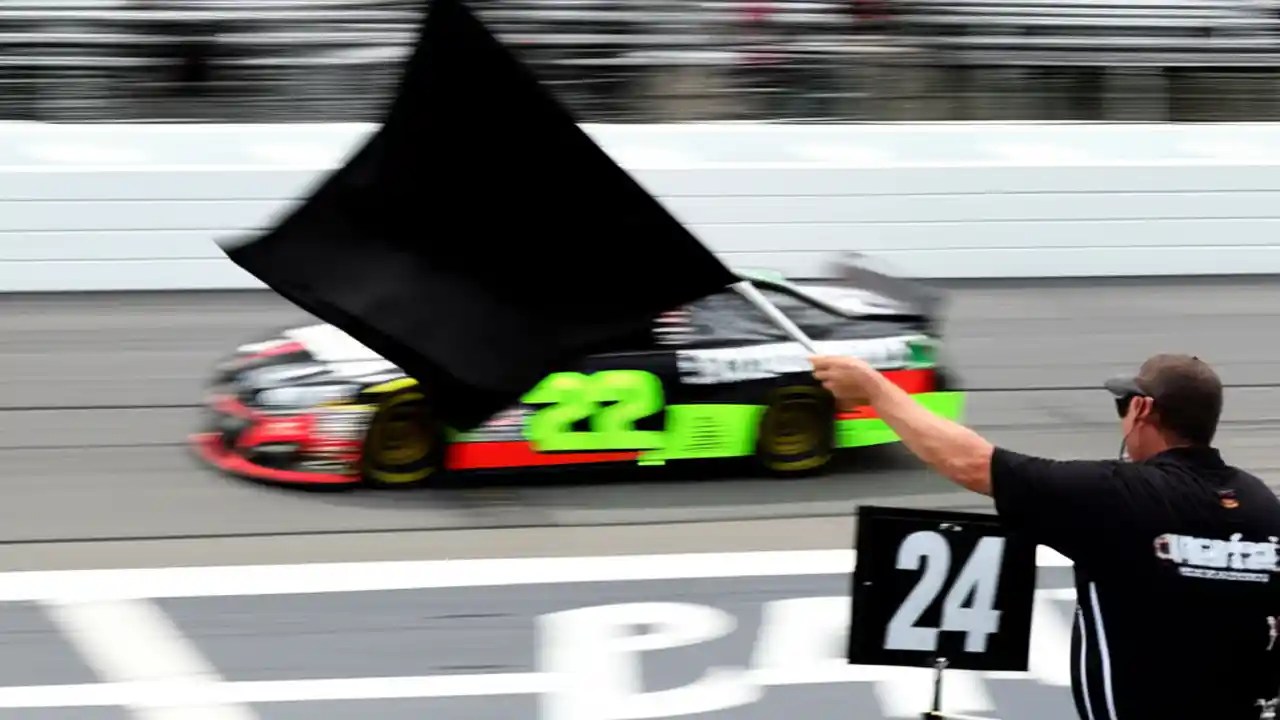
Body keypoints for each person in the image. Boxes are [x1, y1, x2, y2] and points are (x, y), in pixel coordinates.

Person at [811, 352, 1280, 720]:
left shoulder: (1118, 496)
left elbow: (970, 462)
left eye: (1123, 405)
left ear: (1141, 409)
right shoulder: (1262, 504)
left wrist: (874, 388)